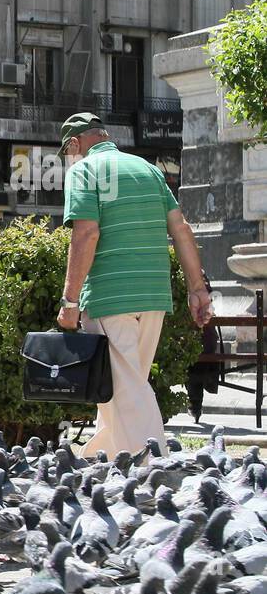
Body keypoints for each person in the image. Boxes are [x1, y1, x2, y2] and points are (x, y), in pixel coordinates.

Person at [56, 112, 213, 458]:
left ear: (75, 143)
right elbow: (182, 230)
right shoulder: (149, 171)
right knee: (119, 387)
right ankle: (104, 462)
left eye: (66, 153)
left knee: (128, 390)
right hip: (154, 297)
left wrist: (69, 302)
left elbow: (86, 233)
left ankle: (155, 468)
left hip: (111, 298)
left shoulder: (84, 170)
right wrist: (197, 289)